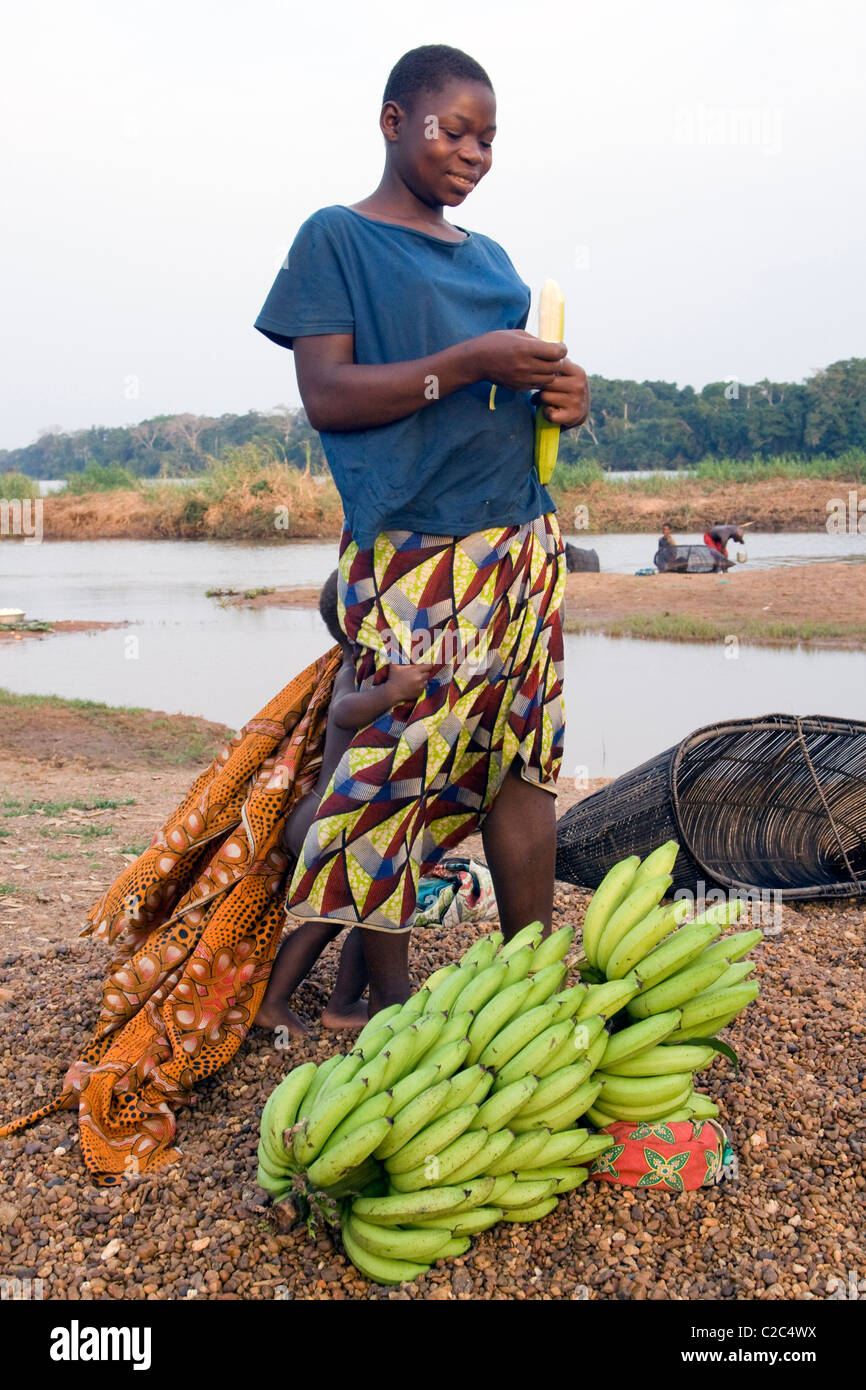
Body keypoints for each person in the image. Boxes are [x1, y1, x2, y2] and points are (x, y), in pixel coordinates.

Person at [253, 44, 589, 1019]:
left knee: (520, 769)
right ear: (393, 121)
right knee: (400, 775)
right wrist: (469, 357)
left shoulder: (492, 263)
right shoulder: (337, 240)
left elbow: (513, 399)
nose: (474, 152)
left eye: (489, 138)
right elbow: (329, 395)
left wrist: (565, 397)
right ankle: (323, 994)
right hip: (415, 555)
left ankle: (532, 985)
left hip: (520, 544)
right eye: (455, 128)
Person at [255, 570, 431, 1035]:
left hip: (347, 817)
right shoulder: (358, 667)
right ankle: (272, 1002)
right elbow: (343, 711)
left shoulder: (373, 659)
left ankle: (341, 1006)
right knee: (326, 920)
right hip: (328, 816)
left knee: (371, 912)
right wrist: (393, 692)